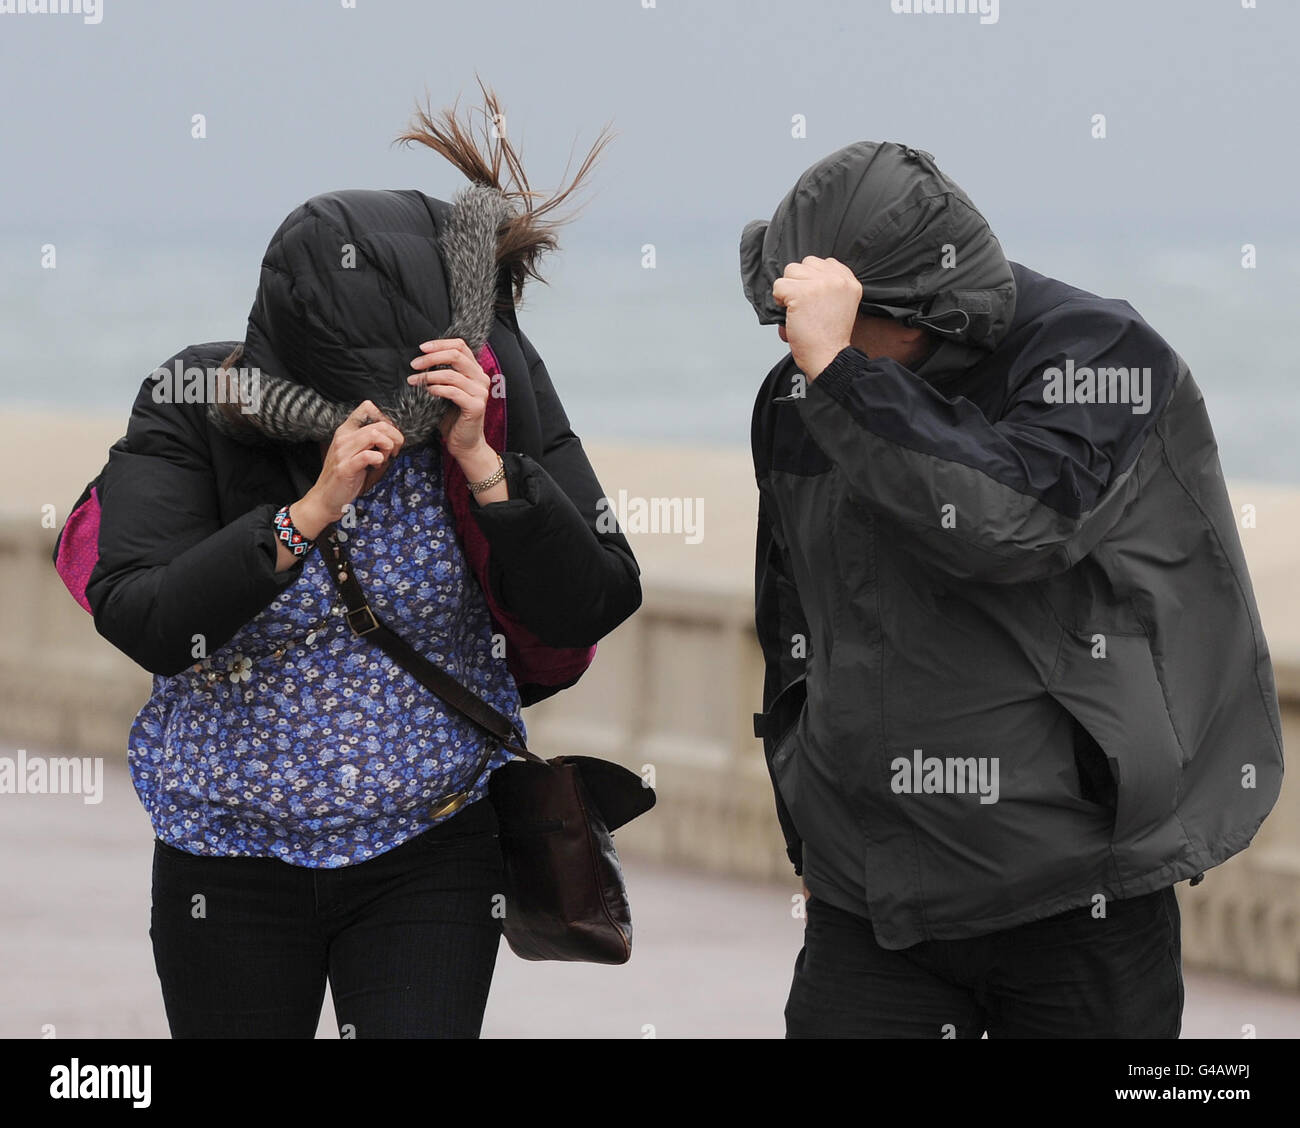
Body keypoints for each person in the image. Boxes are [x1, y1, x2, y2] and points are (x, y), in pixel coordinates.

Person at [58, 88, 640, 1038]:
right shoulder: (194, 399)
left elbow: (596, 599)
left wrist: (490, 469)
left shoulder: (489, 387)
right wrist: (306, 514)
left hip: (433, 843)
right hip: (227, 853)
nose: (401, 417)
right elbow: (148, 617)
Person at [741, 141, 1283, 1038]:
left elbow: (1013, 524)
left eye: (818, 320)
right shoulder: (801, 397)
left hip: (1076, 889)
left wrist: (846, 379)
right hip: (868, 897)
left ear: (915, 312)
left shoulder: (1103, 355)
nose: (797, 344)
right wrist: (806, 829)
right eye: (789, 320)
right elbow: (793, 622)